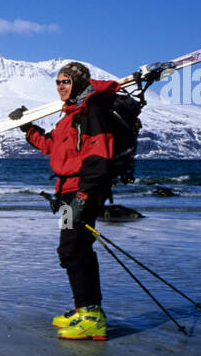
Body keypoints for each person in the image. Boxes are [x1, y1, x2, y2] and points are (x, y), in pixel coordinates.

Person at [9, 62, 120, 341]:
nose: (60, 86)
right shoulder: (69, 114)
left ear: (80, 83)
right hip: (70, 192)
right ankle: (85, 309)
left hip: (83, 191)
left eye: (66, 81)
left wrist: (84, 197)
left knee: (72, 248)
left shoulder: (91, 112)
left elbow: (99, 157)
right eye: (58, 81)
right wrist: (27, 128)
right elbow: (51, 145)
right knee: (74, 247)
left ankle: (91, 315)